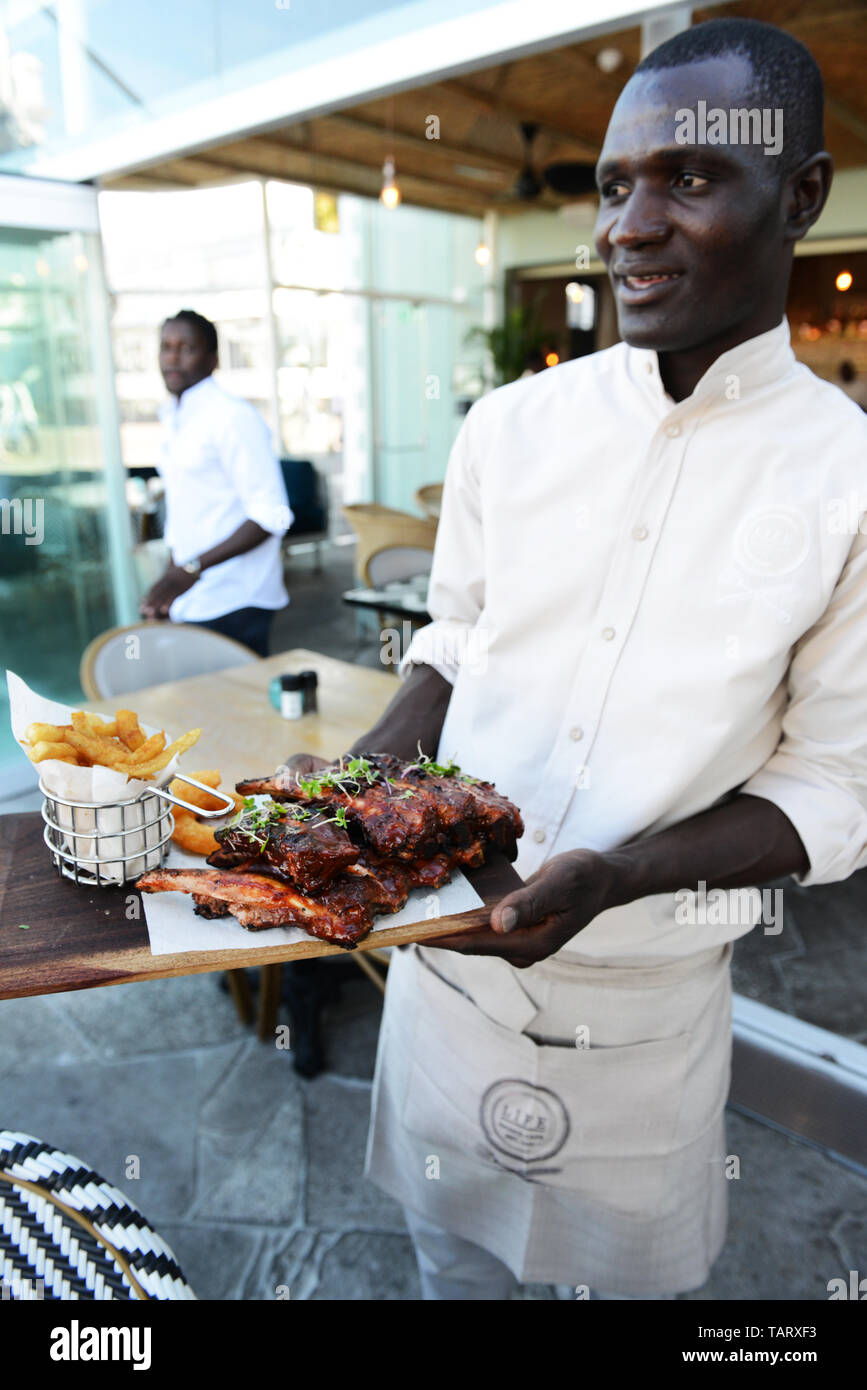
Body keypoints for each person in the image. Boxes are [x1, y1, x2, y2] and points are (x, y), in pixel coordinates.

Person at [295, 17, 867, 1299]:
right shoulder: (511, 426)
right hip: (443, 974)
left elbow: (837, 786)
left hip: (645, 1021)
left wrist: (617, 874)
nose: (628, 226)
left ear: (803, 196)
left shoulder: (850, 477)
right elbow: (457, 639)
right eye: (615, 186)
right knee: (450, 1272)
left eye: (691, 178)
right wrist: (374, 766)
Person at [140, 309, 291, 656]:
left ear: (213, 359)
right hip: (193, 596)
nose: (173, 358)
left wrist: (190, 569)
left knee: (234, 708)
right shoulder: (175, 417)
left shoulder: (232, 417)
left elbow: (272, 515)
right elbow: (190, 513)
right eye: (166, 347)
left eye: (187, 348)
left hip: (236, 598)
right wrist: (168, 583)